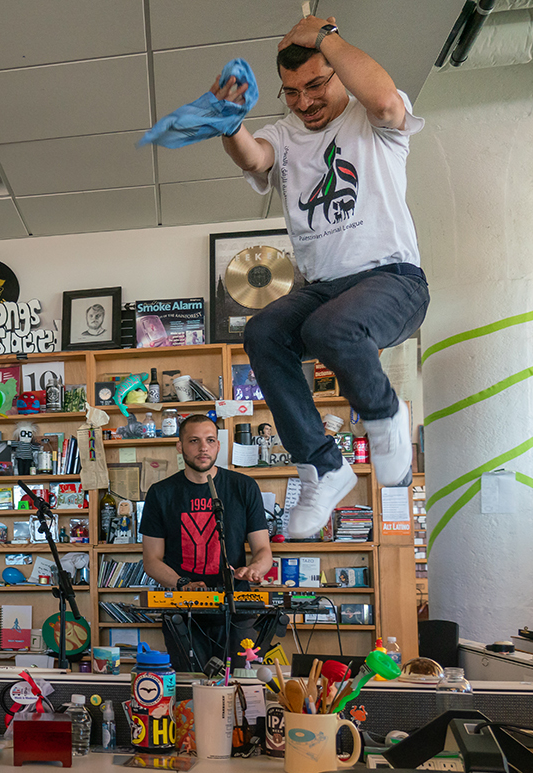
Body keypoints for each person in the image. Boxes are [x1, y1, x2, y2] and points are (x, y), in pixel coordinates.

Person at [213, 15, 427, 536]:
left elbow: (383, 101)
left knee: (330, 328)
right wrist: (229, 123)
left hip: (393, 279)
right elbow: (253, 157)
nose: (304, 102)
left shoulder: (369, 120)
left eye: (315, 86)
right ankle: (324, 468)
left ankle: (385, 418)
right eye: (291, 93)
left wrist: (325, 37)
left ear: (338, 73)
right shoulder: (283, 136)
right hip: (325, 289)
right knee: (263, 331)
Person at [141, 415, 272, 669]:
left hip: (237, 608)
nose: (203, 448)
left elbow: (263, 550)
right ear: (179, 446)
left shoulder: (244, 486)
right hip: (183, 611)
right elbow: (151, 560)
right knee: (188, 687)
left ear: (218, 446)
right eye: (194, 441)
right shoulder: (161, 493)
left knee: (239, 685)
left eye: (210, 440)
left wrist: (254, 569)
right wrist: (183, 583)